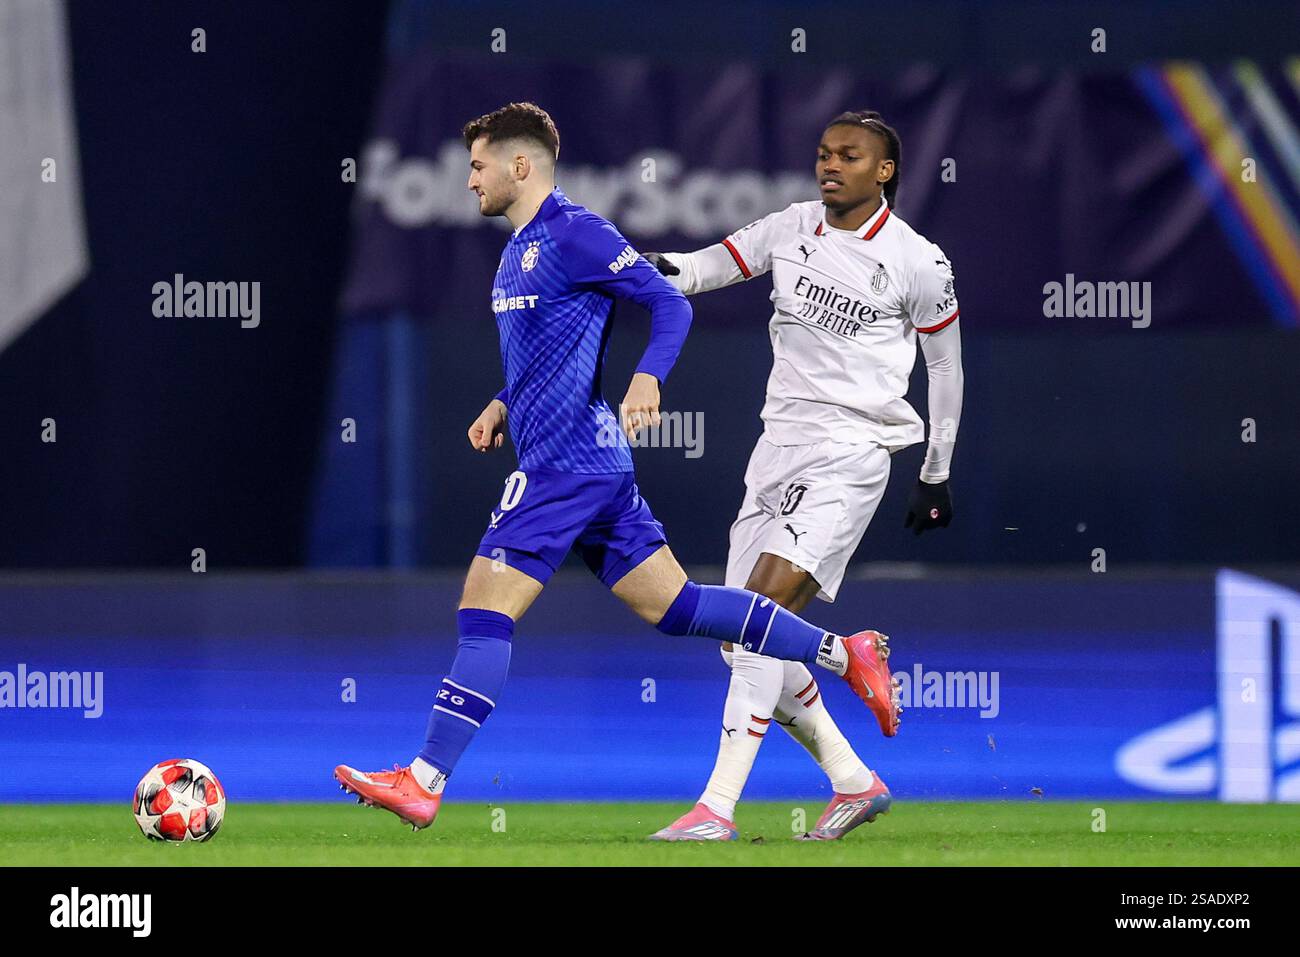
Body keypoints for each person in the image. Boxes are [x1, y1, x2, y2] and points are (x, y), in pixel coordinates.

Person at [333, 102, 901, 831]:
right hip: (590, 464)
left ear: (520, 164)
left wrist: (649, 377)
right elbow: (550, 353)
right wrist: (504, 401)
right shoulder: (515, 252)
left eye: (478, 165)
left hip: (565, 464)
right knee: (682, 608)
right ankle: (843, 652)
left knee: (482, 611)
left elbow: (670, 305)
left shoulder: (576, 232)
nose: (468, 178)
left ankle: (423, 778)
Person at [642, 110, 962, 841]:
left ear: (884, 171)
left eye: (848, 156)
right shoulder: (791, 228)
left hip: (851, 455)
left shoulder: (918, 260)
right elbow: (700, 268)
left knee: (756, 613)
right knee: (743, 635)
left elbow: (946, 366)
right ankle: (854, 777)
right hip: (776, 452)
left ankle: (715, 809)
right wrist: (628, 267)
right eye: (823, 153)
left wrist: (936, 469)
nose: (830, 165)